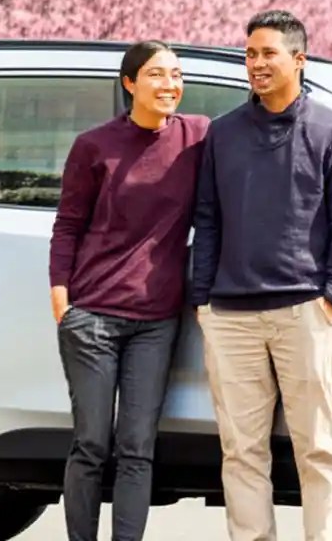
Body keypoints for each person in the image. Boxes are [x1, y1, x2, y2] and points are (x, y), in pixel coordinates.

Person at [190, 9, 332, 541]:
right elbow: (207, 219)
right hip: (230, 317)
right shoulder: (222, 135)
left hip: (304, 311)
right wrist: (203, 299)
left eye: (268, 53)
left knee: (317, 448)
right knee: (241, 451)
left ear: (299, 59)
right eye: (250, 54)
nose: (257, 64)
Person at [48, 40, 211, 541]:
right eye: (158, 75)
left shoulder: (197, 137)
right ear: (130, 83)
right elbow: (68, 226)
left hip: (157, 321)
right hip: (92, 316)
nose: (170, 85)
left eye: (177, 75)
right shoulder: (94, 146)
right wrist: (62, 301)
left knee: (138, 446)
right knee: (92, 444)